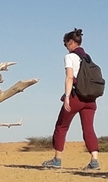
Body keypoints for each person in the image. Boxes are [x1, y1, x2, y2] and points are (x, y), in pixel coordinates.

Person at [42, 29, 101, 170]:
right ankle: (94, 161)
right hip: (90, 99)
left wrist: (67, 97)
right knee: (89, 128)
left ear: (71, 42)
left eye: (65, 43)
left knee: (61, 126)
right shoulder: (87, 58)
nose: (65, 46)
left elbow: (69, 77)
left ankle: (57, 160)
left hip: (76, 97)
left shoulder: (70, 57)